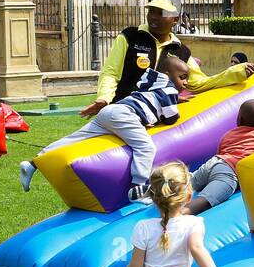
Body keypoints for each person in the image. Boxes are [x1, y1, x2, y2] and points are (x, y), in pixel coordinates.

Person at [21, 53, 188, 202]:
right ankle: (137, 188)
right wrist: (174, 102)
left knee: (76, 138)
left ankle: (33, 163)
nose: (185, 83)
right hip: (126, 115)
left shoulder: (152, 84)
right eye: (182, 77)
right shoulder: (169, 89)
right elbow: (171, 118)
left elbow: (153, 101)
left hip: (110, 111)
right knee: (146, 147)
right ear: (167, 75)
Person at [83, 0, 254, 118]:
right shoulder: (130, 36)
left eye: (161, 13)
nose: (154, 17)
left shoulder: (182, 51)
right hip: (121, 109)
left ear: (175, 19)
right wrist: (104, 98)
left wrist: (237, 72)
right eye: (151, 11)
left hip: (154, 117)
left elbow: (199, 83)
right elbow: (111, 72)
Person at [186, 99, 254, 215]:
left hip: (213, 163)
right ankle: (178, 214)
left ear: (239, 119)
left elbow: (222, 152)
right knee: (207, 199)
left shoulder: (228, 135)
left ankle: (168, 184)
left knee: (189, 181)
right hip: (229, 172)